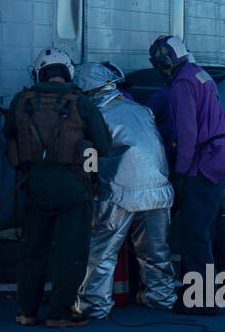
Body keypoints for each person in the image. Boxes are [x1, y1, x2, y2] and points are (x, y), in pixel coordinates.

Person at [3, 49, 112, 328]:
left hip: (34, 184)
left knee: (32, 251)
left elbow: (8, 133)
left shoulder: (21, 100)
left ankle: (26, 312)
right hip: (73, 187)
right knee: (70, 252)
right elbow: (104, 145)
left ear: (39, 72)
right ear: (67, 72)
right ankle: (60, 313)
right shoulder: (81, 102)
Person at [75, 62, 177, 318]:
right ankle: (161, 297)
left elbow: (90, 157)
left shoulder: (94, 114)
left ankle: (94, 306)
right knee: (156, 252)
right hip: (159, 190)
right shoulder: (140, 110)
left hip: (120, 193)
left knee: (102, 252)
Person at [146, 35, 225, 314]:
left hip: (202, 164)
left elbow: (187, 133)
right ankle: (214, 281)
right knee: (209, 225)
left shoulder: (182, 83)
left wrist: (181, 171)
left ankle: (202, 298)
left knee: (194, 230)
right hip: (217, 160)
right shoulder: (200, 75)